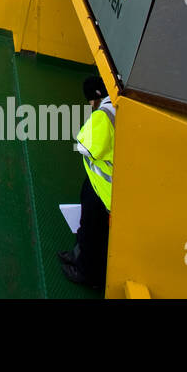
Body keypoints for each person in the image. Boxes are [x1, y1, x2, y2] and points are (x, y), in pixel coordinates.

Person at [60, 75, 114, 288]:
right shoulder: (113, 106)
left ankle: (85, 273)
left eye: (91, 100)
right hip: (94, 183)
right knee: (86, 226)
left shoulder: (106, 114)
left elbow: (86, 145)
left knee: (93, 232)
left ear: (98, 96)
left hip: (105, 192)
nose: (91, 105)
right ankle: (76, 254)